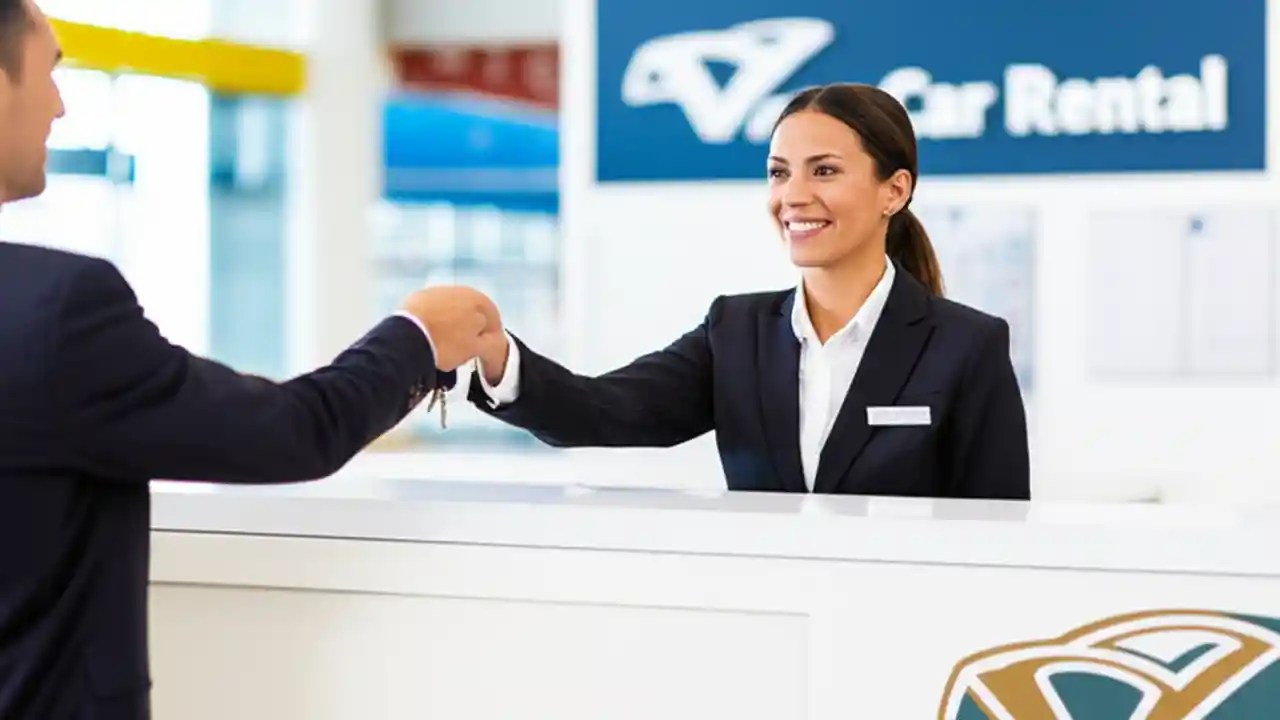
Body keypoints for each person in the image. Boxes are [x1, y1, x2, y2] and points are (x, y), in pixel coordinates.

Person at [0, 2, 500, 717]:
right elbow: (291, 431)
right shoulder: (54, 311)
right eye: (48, 72)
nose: (59, 104)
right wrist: (418, 336)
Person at [469, 83, 1029, 500]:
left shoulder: (965, 345)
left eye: (825, 171)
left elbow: (1003, 541)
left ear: (894, 190)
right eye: (779, 173)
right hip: (774, 633)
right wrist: (494, 353)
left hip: (909, 638)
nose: (793, 195)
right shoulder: (735, 334)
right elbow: (598, 411)